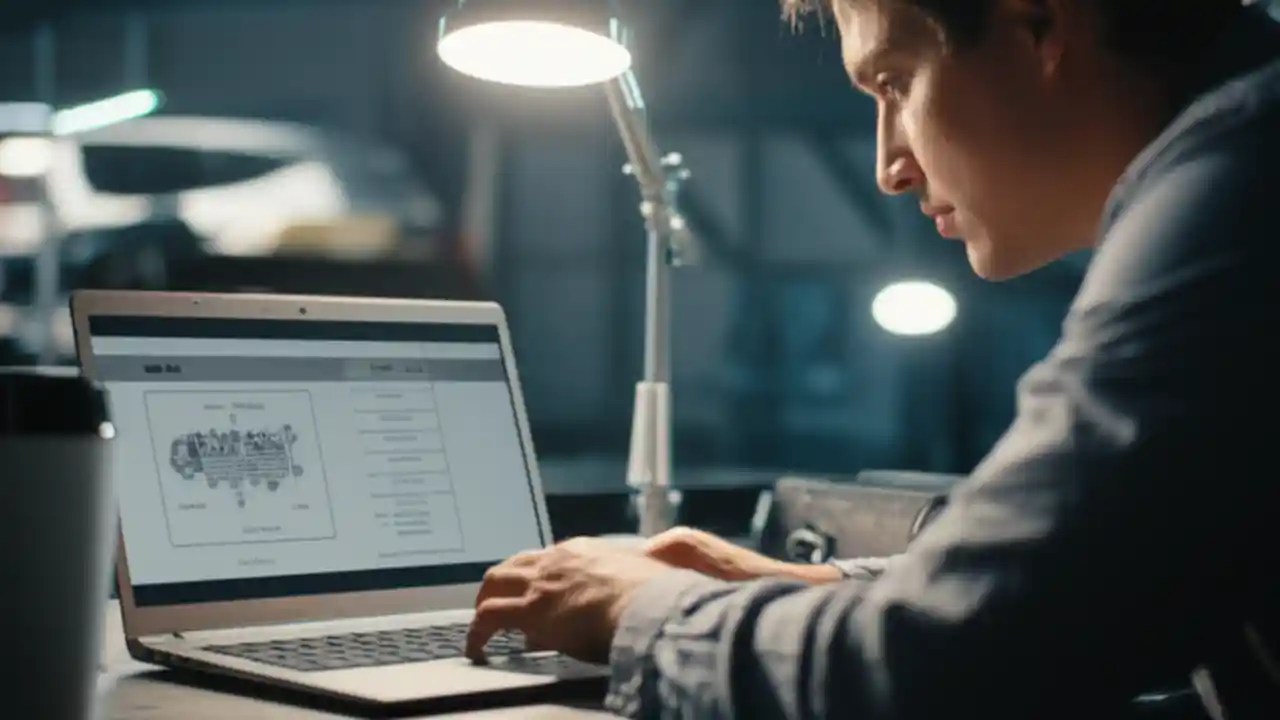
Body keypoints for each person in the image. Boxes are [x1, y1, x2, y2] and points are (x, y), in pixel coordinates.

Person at [466, 0, 1280, 717]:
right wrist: (819, 589)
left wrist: (645, 611)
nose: (889, 167)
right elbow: (1106, 583)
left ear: (1037, 23)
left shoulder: (1234, 202)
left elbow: (948, 670)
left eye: (895, 82)